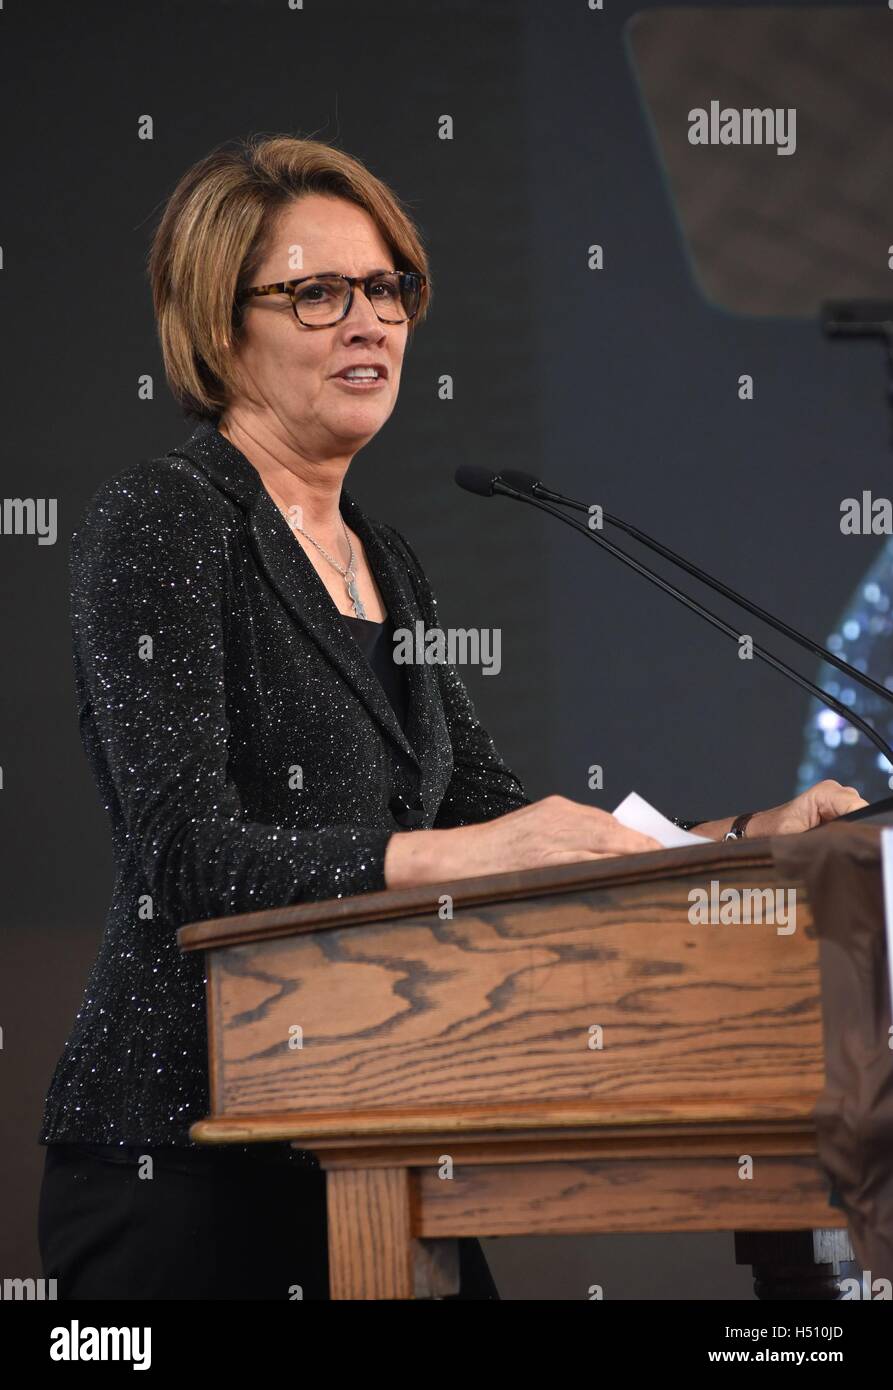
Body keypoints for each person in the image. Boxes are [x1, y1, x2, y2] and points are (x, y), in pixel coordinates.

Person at [37, 134, 867, 1301]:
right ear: (221, 328)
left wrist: (737, 839)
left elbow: (497, 815)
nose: (367, 321)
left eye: (387, 288)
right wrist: (453, 854)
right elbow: (183, 855)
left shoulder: (388, 560)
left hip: (377, 1123)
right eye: (317, 292)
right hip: (187, 1151)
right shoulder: (164, 522)